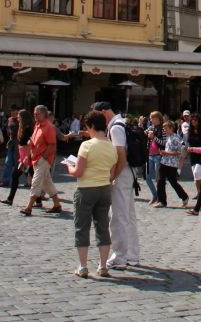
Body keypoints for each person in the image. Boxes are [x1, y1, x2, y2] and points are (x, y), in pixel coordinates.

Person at [66, 111, 116, 278]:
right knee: (102, 228)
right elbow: (111, 173)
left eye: (87, 127)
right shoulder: (111, 146)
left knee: (82, 227)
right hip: (104, 189)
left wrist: (69, 167)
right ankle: (103, 266)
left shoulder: (87, 145)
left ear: (92, 126)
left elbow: (78, 172)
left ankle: (83, 266)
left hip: (86, 189)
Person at [92, 101, 140, 269]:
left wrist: (113, 176)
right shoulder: (123, 122)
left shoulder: (115, 127)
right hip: (129, 172)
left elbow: (121, 155)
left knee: (118, 216)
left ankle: (119, 256)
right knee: (128, 215)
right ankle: (132, 255)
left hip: (122, 173)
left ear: (104, 112)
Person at [20, 105, 63, 216]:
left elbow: (52, 146)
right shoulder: (37, 125)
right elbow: (33, 141)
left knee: (36, 182)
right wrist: (27, 156)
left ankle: (29, 207)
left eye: (37, 113)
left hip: (43, 160)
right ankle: (57, 205)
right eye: (34, 113)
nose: (35, 115)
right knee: (47, 183)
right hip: (36, 159)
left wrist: (42, 158)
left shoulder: (49, 127)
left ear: (44, 114)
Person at [0, 108, 34, 206]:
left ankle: (10, 199)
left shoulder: (28, 128)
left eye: (19, 116)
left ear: (23, 117)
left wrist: (27, 157)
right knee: (31, 178)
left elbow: (29, 144)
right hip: (23, 156)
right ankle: (10, 199)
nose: (17, 118)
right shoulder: (23, 127)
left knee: (19, 176)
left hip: (27, 157)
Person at [154, 121, 189, 208]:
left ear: (171, 128)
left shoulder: (176, 138)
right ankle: (162, 201)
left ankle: (184, 197)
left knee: (173, 182)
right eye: (164, 128)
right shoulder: (168, 137)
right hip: (164, 162)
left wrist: (167, 153)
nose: (164, 130)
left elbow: (179, 152)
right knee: (160, 181)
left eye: (166, 128)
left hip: (172, 164)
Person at [145, 111, 164, 205]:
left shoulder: (163, 129)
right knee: (147, 177)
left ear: (157, 118)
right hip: (150, 155)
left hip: (158, 156)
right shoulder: (151, 128)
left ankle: (160, 198)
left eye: (151, 118)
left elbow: (164, 143)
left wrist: (154, 137)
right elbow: (143, 133)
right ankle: (154, 195)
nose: (150, 120)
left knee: (158, 178)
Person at [1, 105, 20, 187]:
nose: (12, 112)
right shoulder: (10, 119)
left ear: (17, 111)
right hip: (11, 142)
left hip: (19, 143)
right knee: (8, 162)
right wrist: (9, 134)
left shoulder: (21, 119)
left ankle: (29, 180)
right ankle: (6, 181)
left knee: (19, 163)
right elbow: (8, 129)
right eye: (11, 111)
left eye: (13, 110)